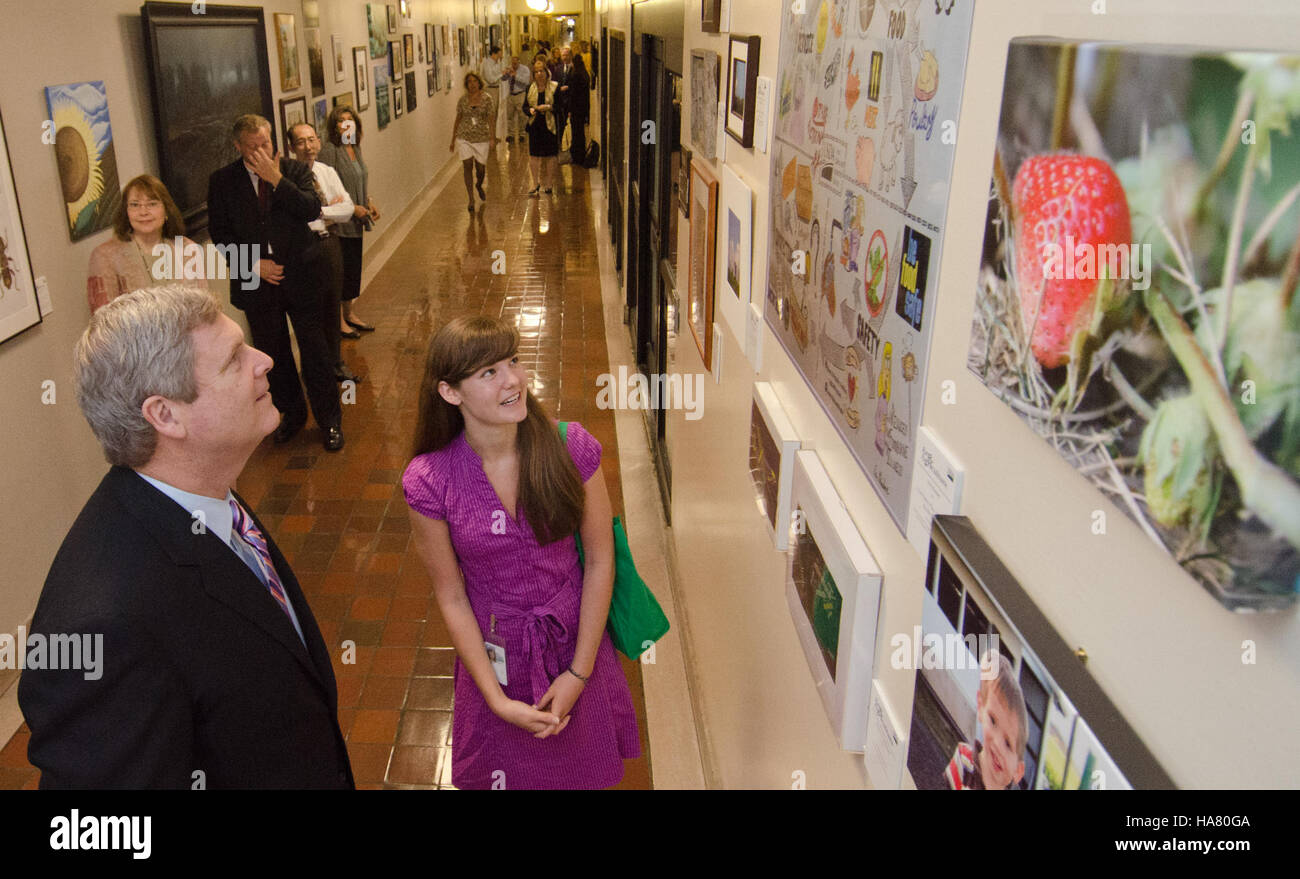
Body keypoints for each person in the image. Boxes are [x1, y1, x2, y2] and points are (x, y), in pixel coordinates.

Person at [18, 285, 354, 789]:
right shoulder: (107, 625)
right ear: (166, 415)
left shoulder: (206, 492)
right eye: (234, 359)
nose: (264, 360)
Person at [403, 315, 640, 789]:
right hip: (497, 659)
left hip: (576, 643)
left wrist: (578, 672)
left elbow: (598, 561)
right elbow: (451, 597)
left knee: (583, 775)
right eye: (488, 373)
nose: (513, 380)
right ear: (451, 393)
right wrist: (496, 701)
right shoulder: (430, 480)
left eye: (512, 361)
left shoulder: (571, 448)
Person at [207, 114, 343, 452]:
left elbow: (312, 209)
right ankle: (291, 415)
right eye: (252, 147)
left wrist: (275, 179)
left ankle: (330, 421)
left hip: (302, 276)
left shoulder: (295, 171)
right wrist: (253, 264)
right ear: (238, 147)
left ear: (274, 143)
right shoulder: (222, 181)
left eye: (265, 144)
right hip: (257, 283)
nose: (260, 152)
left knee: (316, 352)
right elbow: (220, 235)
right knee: (273, 354)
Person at [287, 122, 362, 385]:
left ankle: (336, 363)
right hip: (305, 248)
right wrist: (328, 210)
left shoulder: (326, 171)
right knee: (313, 314)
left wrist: (319, 212)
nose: (308, 147)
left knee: (333, 306)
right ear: (292, 147)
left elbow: (348, 208)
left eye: (311, 140)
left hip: (330, 244)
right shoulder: (288, 178)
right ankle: (317, 370)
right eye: (301, 142)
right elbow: (298, 219)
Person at [86, 174, 200, 313]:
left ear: (166, 210)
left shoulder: (188, 249)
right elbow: (104, 321)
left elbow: (203, 309)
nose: (143, 212)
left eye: (152, 204)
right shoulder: (104, 257)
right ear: (126, 212)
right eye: (135, 205)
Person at [317, 106, 380, 339]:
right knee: (339, 272)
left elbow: (359, 179)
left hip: (357, 220)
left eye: (350, 120)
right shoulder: (330, 151)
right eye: (341, 121)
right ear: (334, 127)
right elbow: (325, 189)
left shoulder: (355, 147)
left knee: (353, 269)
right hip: (340, 222)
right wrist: (351, 208)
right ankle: (339, 321)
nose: (346, 125)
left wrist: (368, 202)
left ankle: (350, 313)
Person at [944, 652, 1029, 790]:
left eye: (1008, 744)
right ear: (980, 707)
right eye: (993, 721)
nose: (997, 744)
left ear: (1017, 771)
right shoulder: (964, 760)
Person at [451, 72, 497, 214]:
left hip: (481, 137)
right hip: (465, 136)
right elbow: (458, 118)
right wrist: (453, 139)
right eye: (469, 82)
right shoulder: (463, 100)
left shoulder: (487, 99)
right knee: (467, 165)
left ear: (479, 82)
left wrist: (492, 138)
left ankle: (478, 184)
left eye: (474, 81)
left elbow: (491, 119)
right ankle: (471, 198)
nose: (472, 84)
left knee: (480, 168)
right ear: (466, 85)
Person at [523, 60, 559, 195]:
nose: (539, 74)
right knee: (534, 155)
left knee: (550, 155)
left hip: (550, 125)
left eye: (541, 71)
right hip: (535, 125)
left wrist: (549, 107)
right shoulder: (529, 88)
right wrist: (530, 110)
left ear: (546, 72)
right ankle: (535, 183)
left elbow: (560, 106)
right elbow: (525, 107)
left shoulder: (554, 87)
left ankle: (549, 183)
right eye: (536, 72)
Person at [565, 54, 592, 168]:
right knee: (580, 132)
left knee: (576, 132)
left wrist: (570, 109)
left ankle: (577, 156)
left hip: (576, 109)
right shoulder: (585, 74)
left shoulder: (576, 75)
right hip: (583, 108)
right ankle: (579, 155)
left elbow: (573, 94)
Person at [481, 45, 507, 141]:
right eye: (500, 54)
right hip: (489, 89)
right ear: (494, 54)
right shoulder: (487, 63)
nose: (501, 56)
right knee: (490, 113)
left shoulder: (498, 63)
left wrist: (505, 73)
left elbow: (500, 77)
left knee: (495, 113)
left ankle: (493, 136)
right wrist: (501, 74)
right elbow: (491, 79)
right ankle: (487, 136)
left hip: (497, 89)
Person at [505, 54, 531, 143]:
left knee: (522, 116)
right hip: (511, 95)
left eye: (515, 63)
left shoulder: (525, 69)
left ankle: (522, 134)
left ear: (519, 62)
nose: (514, 65)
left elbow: (526, 82)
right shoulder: (509, 68)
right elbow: (503, 80)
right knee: (509, 116)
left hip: (521, 94)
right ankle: (511, 134)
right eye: (512, 63)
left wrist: (515, 76)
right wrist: (505, 74)